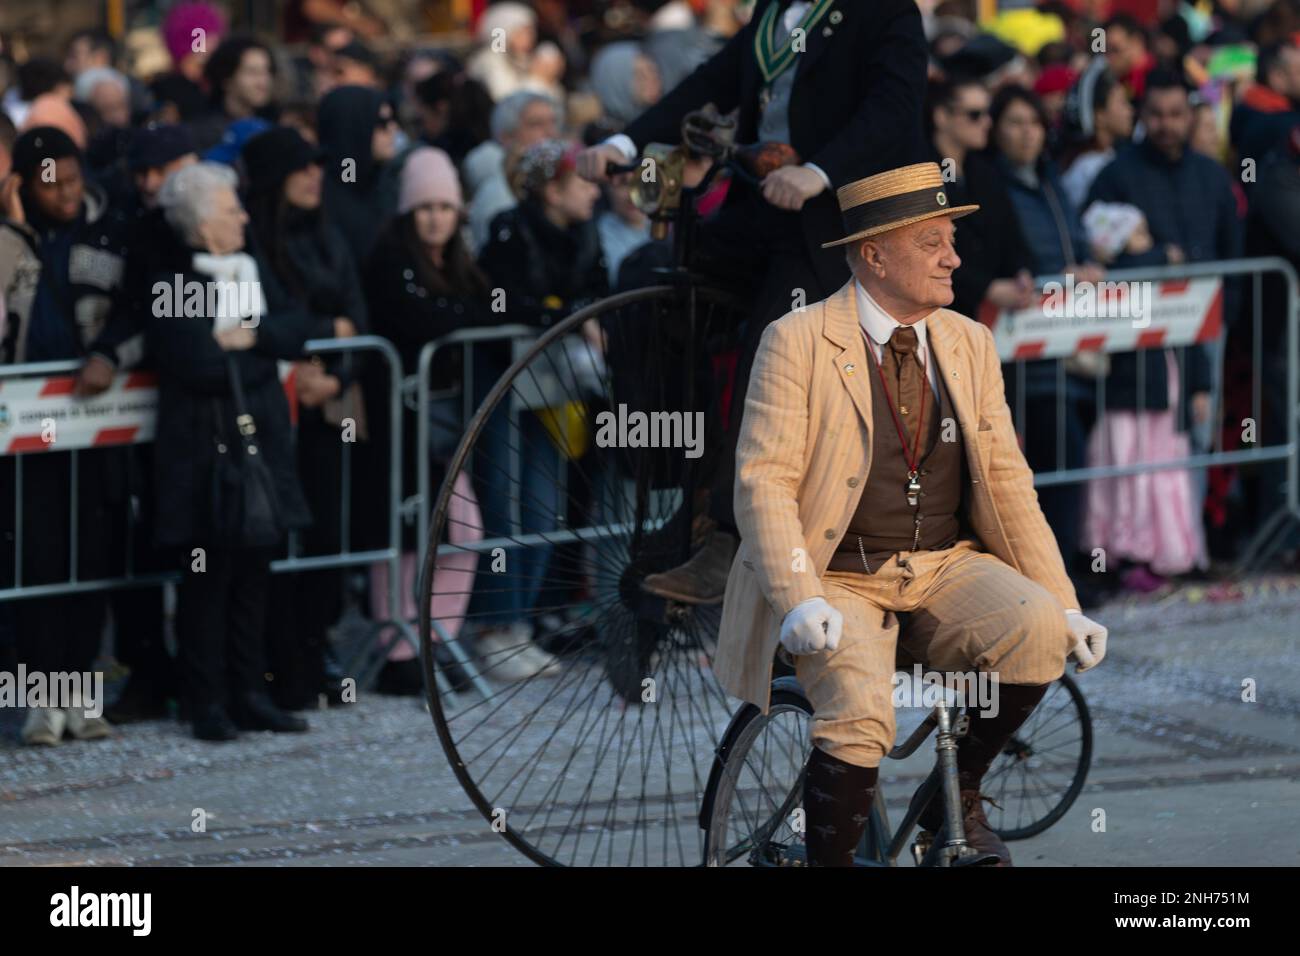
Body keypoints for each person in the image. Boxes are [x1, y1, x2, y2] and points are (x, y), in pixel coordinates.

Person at [714, 160, 1108, 866]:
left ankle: (948, 804)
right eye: (933, 243)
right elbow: (764, 483)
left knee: (1037, 632)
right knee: (863, 717)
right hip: (837, 574)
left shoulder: (969, 340)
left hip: (942, 565)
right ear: (874, 255)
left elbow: (1010, 485)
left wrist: (1065, 601)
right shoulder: (796, 340)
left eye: (951, 239)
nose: (954, 256)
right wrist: (798, 596)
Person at [578, 0, 931, 605]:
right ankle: (681, 480)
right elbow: (707, 83)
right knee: (656, 289)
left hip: (835, 225)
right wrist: (623, 139)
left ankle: (729, 534)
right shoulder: (774, 12)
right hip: (761, 208)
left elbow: (895, 111)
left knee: (767, 346)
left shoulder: (884, 11)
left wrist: (820, 170)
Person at [147, 161, 314, 741]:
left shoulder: (252, 266)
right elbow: (196, 363)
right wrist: (257, 344)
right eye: (230, 209)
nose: (244, 215)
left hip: (259, 441)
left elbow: (296, 329)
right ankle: (206, 699)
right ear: (200, 223)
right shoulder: (174, 280)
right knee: (206, 579)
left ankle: (250, 691)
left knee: (254, 574)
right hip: (200, 449)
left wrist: (249, 335)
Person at [0, 127, 129, 745]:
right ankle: (41, 700)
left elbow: (139, 309)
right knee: (37, 566)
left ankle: (82, 695)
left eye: (75, 180)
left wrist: (108, 353)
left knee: (90, 562)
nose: (69, 195)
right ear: (24, 186)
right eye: (54, 185)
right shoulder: (9, 244)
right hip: (25, 439)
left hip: (97, 429)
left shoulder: (111, 232)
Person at [1086, 70, 1235, 588]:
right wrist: (1155, 258)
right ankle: (1131, 550)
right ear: (1142, 116)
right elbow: (1097, 254)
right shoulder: (1117, 175)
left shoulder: (1211, 176)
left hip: (1205, 330)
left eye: (1177, 115)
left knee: (1195, 440)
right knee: (1135, 448)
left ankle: (1184, 546)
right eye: (1157, 116)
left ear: (1191, 114)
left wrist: (1222, 318)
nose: (1168, 125)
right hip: (1137, 338)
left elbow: (1230, 252)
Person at [357, 146, 494, 693]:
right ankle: (397, 651)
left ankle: (436, 638)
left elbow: (482, 307)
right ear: (408, 212)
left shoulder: (459, 261)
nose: (436, 217)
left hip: (441, 423)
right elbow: (417, 319)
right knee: (404, 537)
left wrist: (460, 314)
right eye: (425, 207)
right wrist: (461, 314)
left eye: (445, 206)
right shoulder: (390, 260)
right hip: (395, 420)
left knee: (464, 530)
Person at [241, 125, 365, 710]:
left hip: (328, 407)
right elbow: (260, 325)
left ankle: (314, 653)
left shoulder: (329, 236)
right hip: (271, 408)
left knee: (326, 534)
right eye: (302, 168)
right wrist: (320, 337)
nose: (317, 177)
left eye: (320, 165)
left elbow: (357, 317)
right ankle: (278, 663)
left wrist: (337, 375)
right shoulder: (253, 245)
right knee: (277, 536)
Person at [473, 138, 606, 679]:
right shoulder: (511, 228)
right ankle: (496, 627)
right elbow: (502, 297)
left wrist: (576, 311)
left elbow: (599, 288)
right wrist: (569, 312)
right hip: (509, 378)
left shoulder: (584, 233)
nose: (594, 193)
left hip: (558, 383)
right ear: (552, 189)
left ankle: (524, 622)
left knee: (545, 502)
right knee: (506, 501)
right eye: (582, 182)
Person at [987, 85, 1108, 601]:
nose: (1027, 132)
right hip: (1023, 354)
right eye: (1014, 122)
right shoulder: (994, 186)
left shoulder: (1051, 182)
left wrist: (1084, 265)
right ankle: (1049, 579)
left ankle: (1057, 574)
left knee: (1065, 462)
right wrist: (1055, 275)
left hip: (1065, 349)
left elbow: (1073, 239)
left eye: (1034, 122)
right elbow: (1014, 259)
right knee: (1046, 465)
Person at [461, 90, 561, 252]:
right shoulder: (498, 194)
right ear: (506, 137)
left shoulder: (555, 176)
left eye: (553, 122)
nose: (551, 133)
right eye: (536, 124)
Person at [318, 85, 402, 265]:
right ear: (354, 125)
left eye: (393, 119)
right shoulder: (323, 196)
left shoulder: (384, 184)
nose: (393, 129)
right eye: (382, 122)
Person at [1059, 58, 1135, 211]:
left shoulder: (1107, 157)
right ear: (1099, 116)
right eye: (1122, 103)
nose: (1130, 111)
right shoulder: (1088, 169)